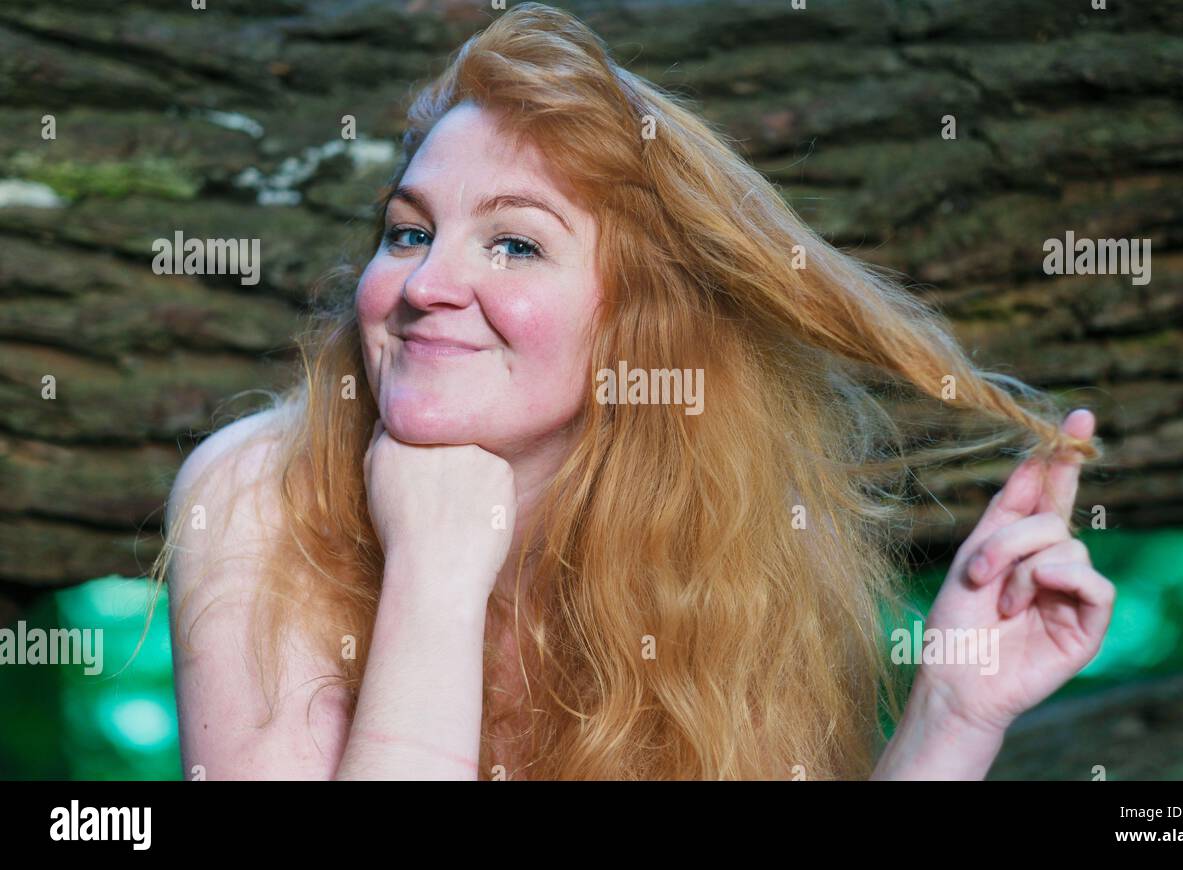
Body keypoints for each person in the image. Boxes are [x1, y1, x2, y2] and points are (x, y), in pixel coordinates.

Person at [152, 3, 1112, 780]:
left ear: (635, 323)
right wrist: (434, 578)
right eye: (409, 232)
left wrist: (951, 714)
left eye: (514, 244)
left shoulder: (727, 556)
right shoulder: (256, 490)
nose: (423, 285)